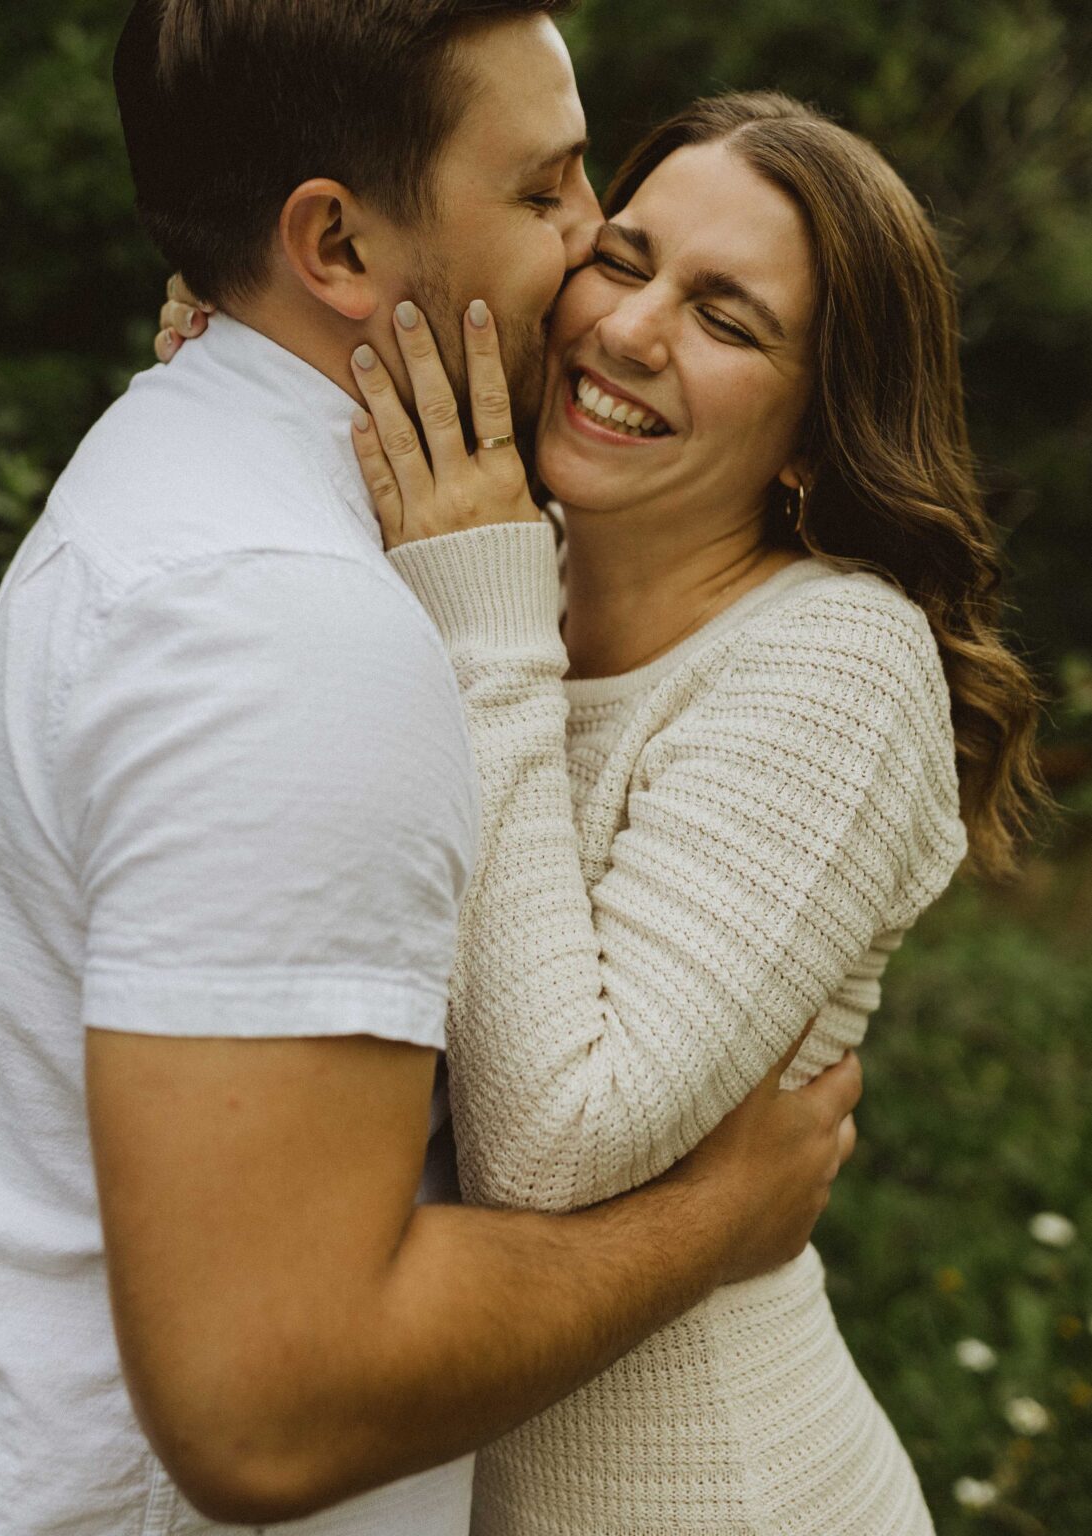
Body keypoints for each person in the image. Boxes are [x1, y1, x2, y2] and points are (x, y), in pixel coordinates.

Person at [0, 8, 866, 1536]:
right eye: (546, 195)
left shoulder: (249, 508)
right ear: (330, 248)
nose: (595, 260)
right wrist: (720, 1213)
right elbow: (269, 1405)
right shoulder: (292, 625)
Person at [339, 92, 1044, 1534]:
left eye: (728, 320)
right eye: (624, 258)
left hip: (725, 1496)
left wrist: (481, 619)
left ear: (811, 430)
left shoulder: (834, 661)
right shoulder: (495, 559)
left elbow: (553, 1142)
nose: (630, 329)